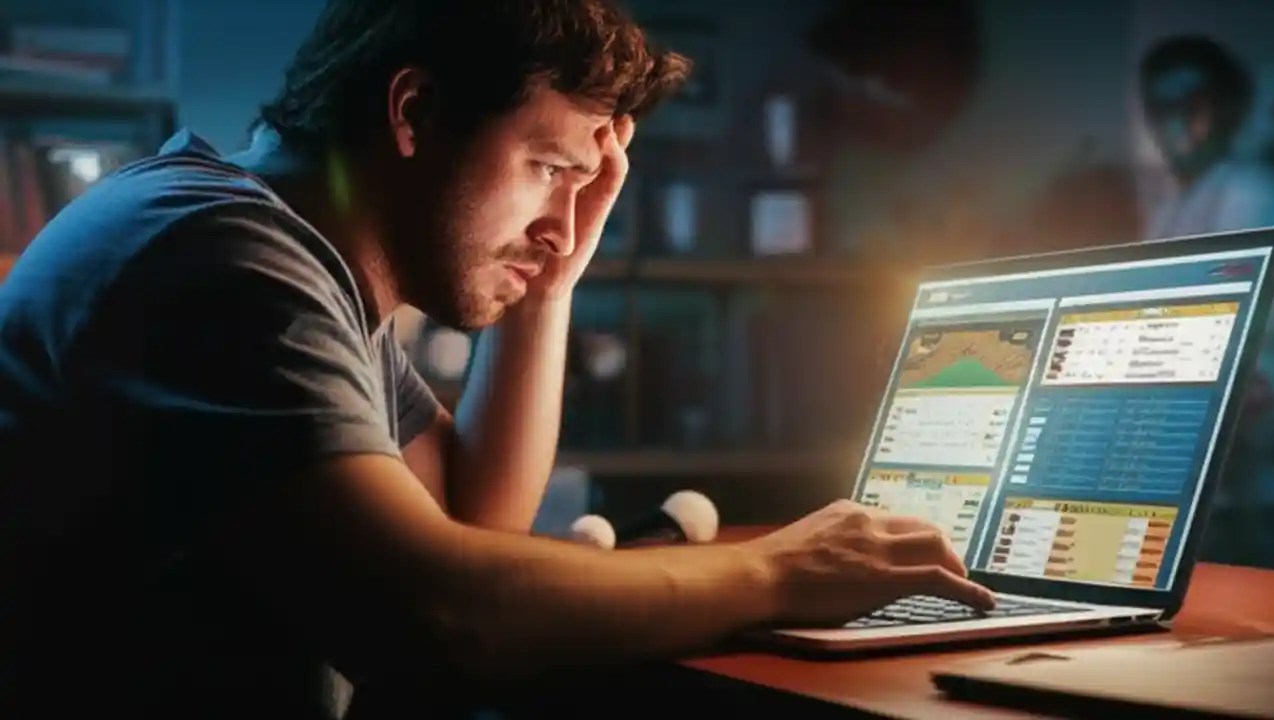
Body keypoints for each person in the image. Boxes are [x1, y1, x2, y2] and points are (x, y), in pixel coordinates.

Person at [0, 1, 994, 717]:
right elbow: (439, 622)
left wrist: (548, 285)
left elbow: (472, 516)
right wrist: (775, 574)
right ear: (413, 112)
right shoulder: (221, 259)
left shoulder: (294, 256)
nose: (562, 224)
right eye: (549, 169)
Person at [1139, 35, 1274, 568]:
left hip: (1261, 462)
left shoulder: (1249, 190)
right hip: (1208, 461)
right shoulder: (1171, 206)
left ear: (1227, 106)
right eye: (1160, 104)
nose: (1174, 121)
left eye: (1190, 101)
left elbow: (1221, 318)